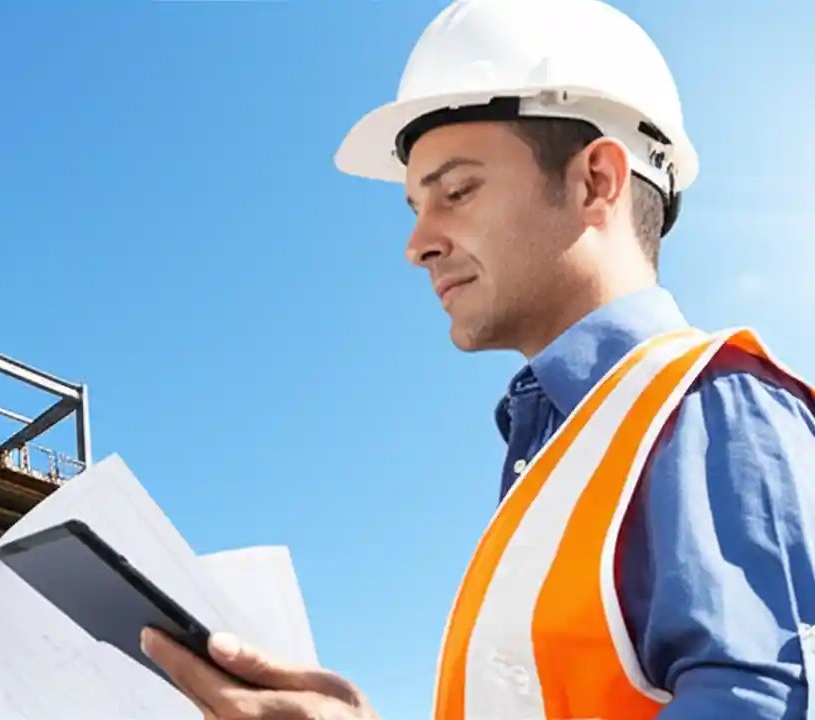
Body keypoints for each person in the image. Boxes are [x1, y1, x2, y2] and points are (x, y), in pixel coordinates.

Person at [140, 0, 815, 718]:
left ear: (596, 181)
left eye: (456, 192)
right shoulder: (565, 452)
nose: (417, 243)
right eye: (414, 209)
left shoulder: (712, 406)